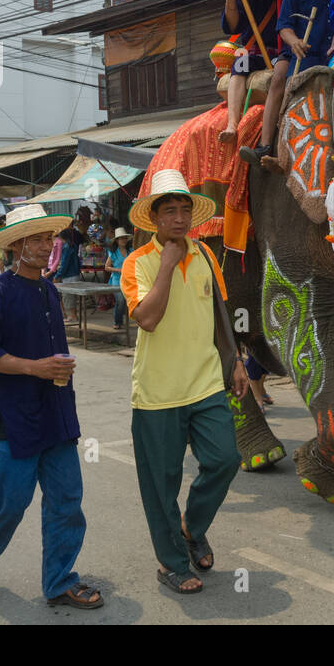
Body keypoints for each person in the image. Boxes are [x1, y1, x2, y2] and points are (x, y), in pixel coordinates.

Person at [0, 203, 103, 610]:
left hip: (57, 414)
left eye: (49, 238)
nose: (48, 245)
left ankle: (60, 580)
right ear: (17, 245)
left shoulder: (49, 289)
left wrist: (54, 370)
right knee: (11, 503)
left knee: (66, 500)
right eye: (38, 239)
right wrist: (35, 368)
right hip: (16, 419)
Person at [121, 168, 248, 595]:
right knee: (161, 485)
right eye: (169, 211)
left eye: (184, 210)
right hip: (157, 394)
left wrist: (236, 362)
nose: (178, 218)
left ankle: (192, 527)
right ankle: (172, 562)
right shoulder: (137, 262)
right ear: (154, 219)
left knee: (226, 459)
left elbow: (220, 314)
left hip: (206, 382)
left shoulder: (207, 256)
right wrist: (168, 266)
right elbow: (149, 319)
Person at [242, 0, 334, 164]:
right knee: (280, 79)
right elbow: (283, 26)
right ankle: (266, 145)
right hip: (300, 52)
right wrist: (295, 41)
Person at [219, 0, 302, 144]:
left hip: (284, 51)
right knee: (239, 64)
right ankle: (232, 124)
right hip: (254, 51)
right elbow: (233, 26)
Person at [105, 227, 130, 330]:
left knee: (127, 302)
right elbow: (106, 267)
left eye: (124, 238)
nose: (123, 240)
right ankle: (117, 321)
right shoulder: (113, 253)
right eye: (121, 238)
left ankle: (123, 321)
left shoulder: (131, 251)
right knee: (120, 300)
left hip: (129, 280)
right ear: (117, 240)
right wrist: (119, 270)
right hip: (116, 281)